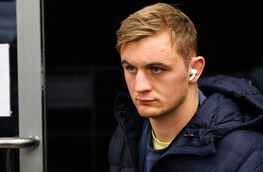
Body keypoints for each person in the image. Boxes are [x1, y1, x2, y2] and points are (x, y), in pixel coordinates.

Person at [109, 3, 263, 172]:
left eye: (156, 69)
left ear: (195, 70)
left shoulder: (249, 150)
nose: (140, 86)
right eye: (131, 68)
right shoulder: (125, 136)